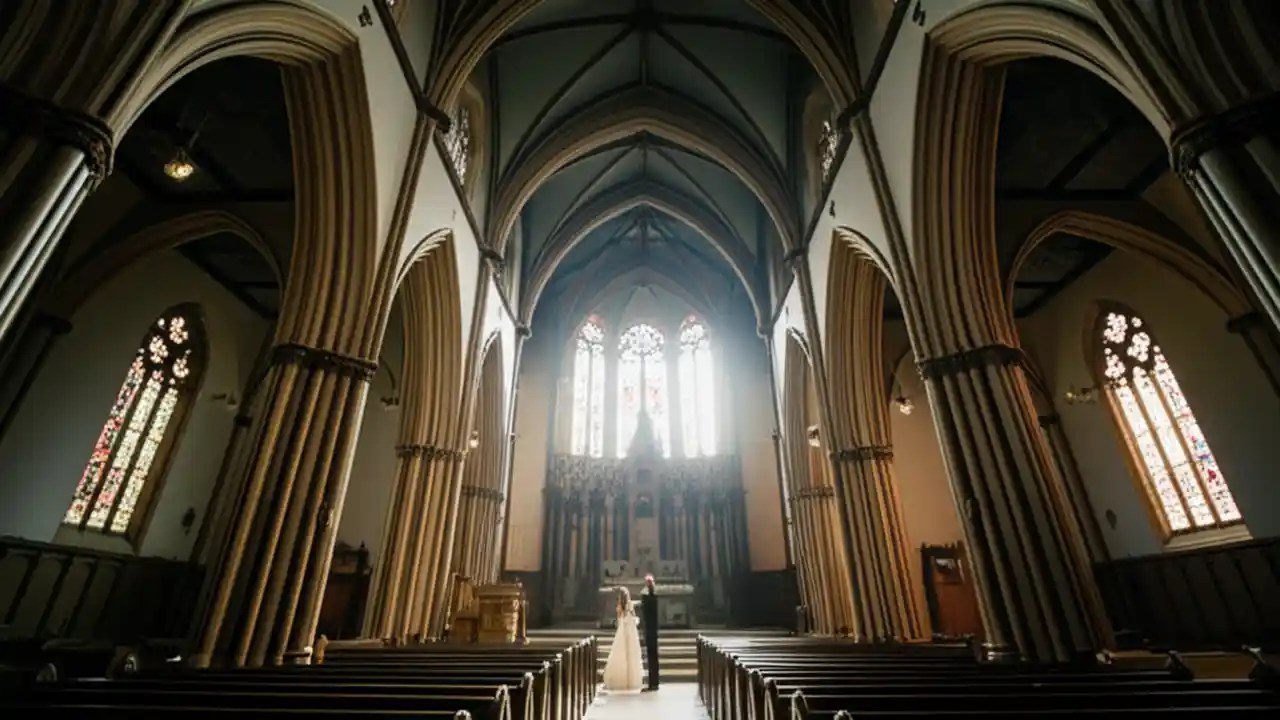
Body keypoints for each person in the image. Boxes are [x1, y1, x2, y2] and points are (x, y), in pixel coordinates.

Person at [600, 586, 644, 693]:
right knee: (631, 654)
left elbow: (619, 619)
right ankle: (631, 679)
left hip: (623, 631)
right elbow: (634, 616)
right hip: (631, 631)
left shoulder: (621, 606)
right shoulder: (630, 605)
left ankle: (620, 678)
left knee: (620, 653)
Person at [641, 574, 659, 691]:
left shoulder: (646, 598)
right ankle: (655, 682)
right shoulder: (654, 597)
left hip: (649, 630)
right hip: (654, 630)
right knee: (654, 657)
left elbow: (645, 612)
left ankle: (652, 682)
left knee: (651, 656)